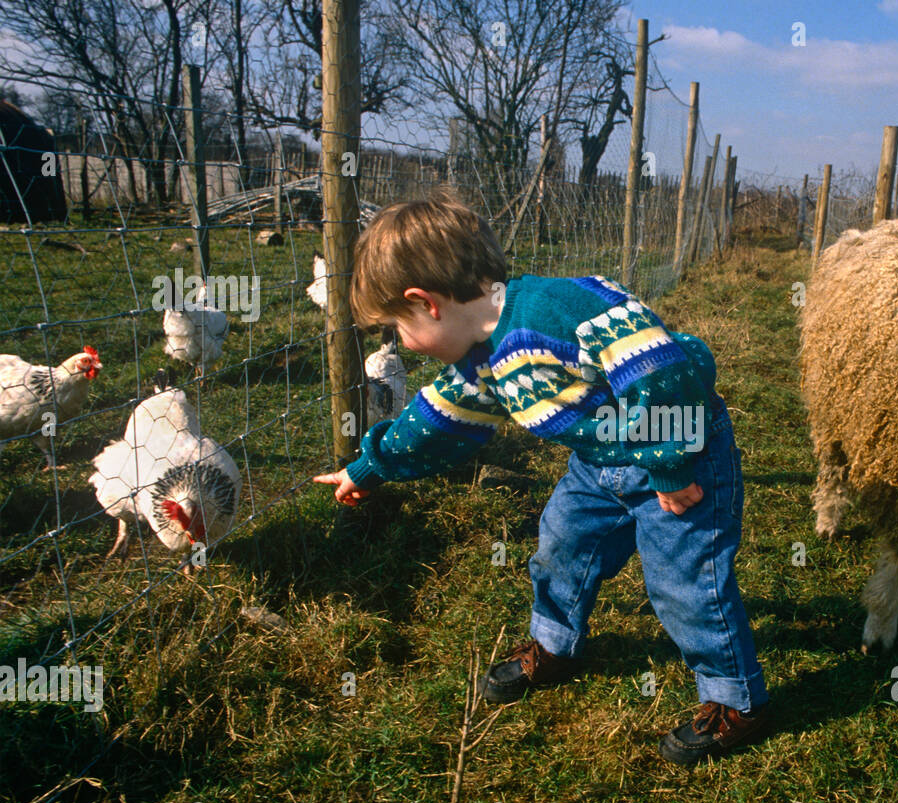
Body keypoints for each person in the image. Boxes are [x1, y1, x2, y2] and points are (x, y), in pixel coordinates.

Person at [313, 187, 770, 765]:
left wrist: (671, 465)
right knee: (562, 543)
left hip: (680, 460)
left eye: (395, 327)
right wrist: (369, 468)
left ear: (426, 302)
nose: (400, 344)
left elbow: (662, 369)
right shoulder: (479, 362)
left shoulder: (561, 311)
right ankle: (554, 645)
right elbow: (436, 422)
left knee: (684, 581)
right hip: (598, 466)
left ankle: (736, 699)